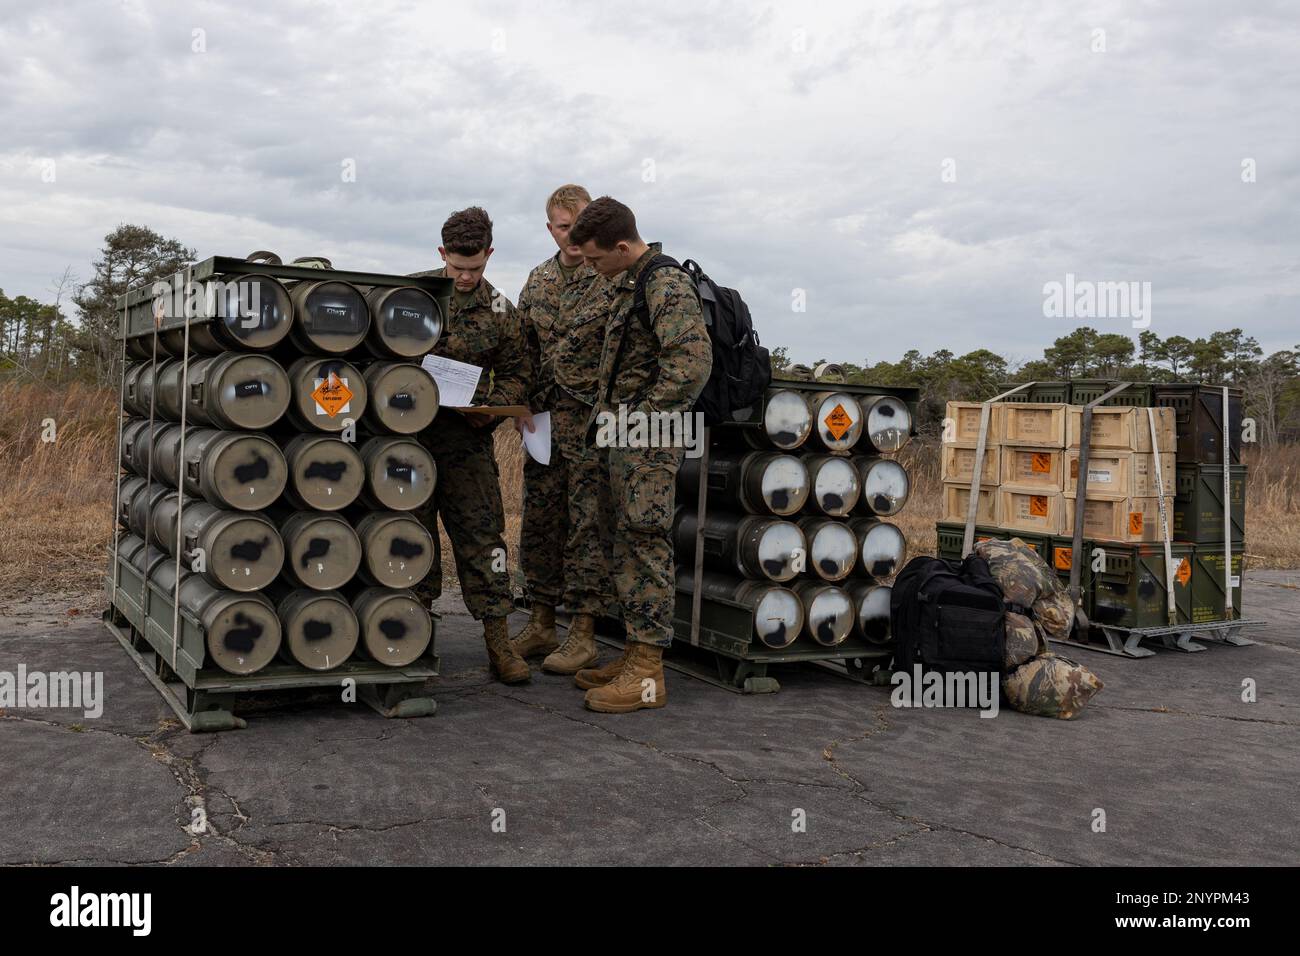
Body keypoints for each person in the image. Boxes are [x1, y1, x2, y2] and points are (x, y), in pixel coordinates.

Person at [567, 197, 712, 713]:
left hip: (647, 444)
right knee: (623, 545)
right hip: (624, 439)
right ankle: (633, 655)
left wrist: (642, 419)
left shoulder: (665, 284)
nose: (591, 267)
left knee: (644, 546)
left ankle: (648, 673)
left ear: (623, 247)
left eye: (596, 259)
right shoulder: (632, 281)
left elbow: (692, 363)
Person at [410, 206, 532, 684]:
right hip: (407, 444)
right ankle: (411, 640)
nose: (465, 277)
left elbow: (522, 376)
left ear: (489, 255)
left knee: (484, 544)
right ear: (441, 253)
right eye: (458, 267)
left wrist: (488, 406)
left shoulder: (502, 312)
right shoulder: (408, 296)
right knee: (409, 539)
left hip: (468, 444)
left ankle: (500, 648)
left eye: (476, 268)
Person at [511, 185, 616, 674]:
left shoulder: (611, 278)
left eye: (578, 226)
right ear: (548, 227)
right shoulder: (538, 281)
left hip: (591, 423)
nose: (570, 236)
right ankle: (541, 620)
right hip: (543, 422)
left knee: (587, 526)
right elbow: (520, 347)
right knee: (541, 519)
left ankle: (584, 631)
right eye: (560, 226)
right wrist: (516, 402)